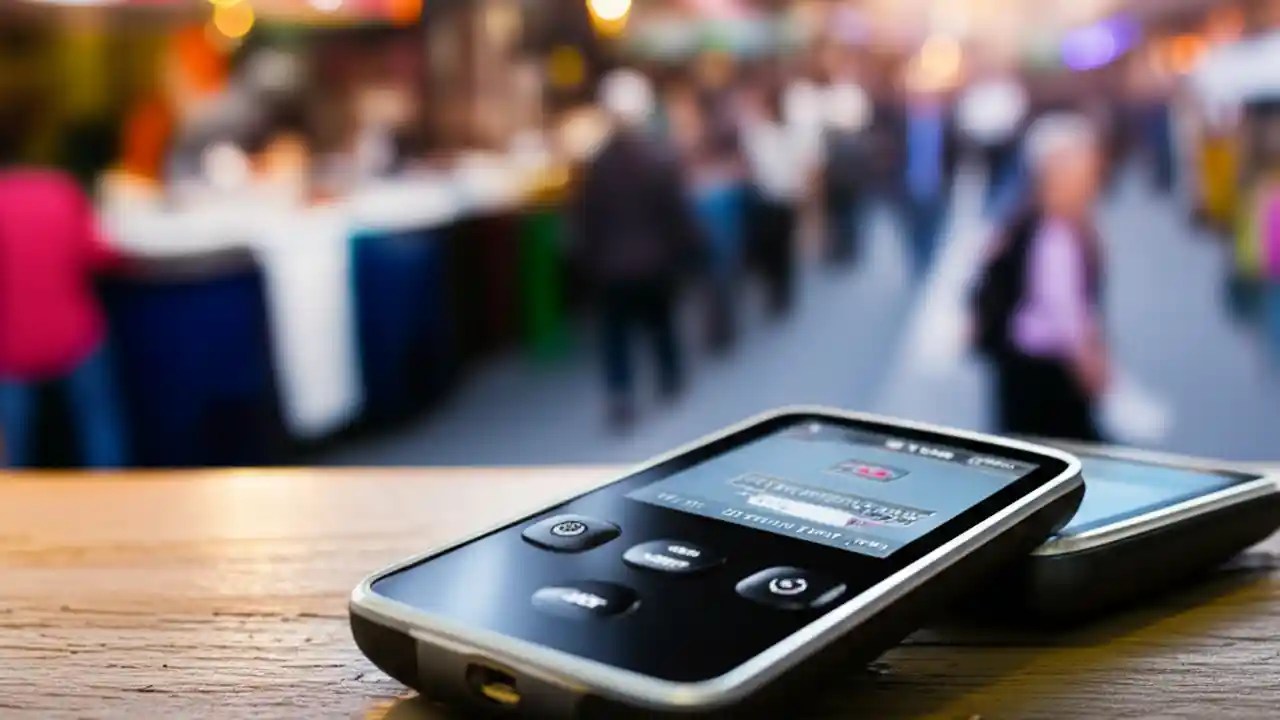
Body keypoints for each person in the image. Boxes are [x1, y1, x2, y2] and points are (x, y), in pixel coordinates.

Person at [971, 114, 1109, 441]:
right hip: (1043, 368)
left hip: (1025, 365)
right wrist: (1088, 358)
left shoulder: (1031, 221)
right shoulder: (1053, 232)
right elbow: (1064, 308)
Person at [0, 117, 129, 468]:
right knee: (100, 426)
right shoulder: (60, 189)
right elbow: (101, 255)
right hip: (73, 337)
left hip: (10, 346)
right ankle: (113, 486)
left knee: (12, 445)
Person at [575, 70, 700, 430]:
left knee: (616, 336)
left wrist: (589, 261)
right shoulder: (658, 159)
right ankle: (669, 377)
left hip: (612, 268)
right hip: (654, 263)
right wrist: (687, 254)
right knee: (660, 325)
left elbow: (586, 220)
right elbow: (676, 214)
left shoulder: (597, 164)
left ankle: (621, 393)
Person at [742, 80, 813, 315]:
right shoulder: (757, 133)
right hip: (767, 199)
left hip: (783, 199)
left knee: (781, 250)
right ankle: (776, 291)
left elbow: (803, 166)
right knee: (770, 250)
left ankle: (782, 293)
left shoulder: (788, 132)